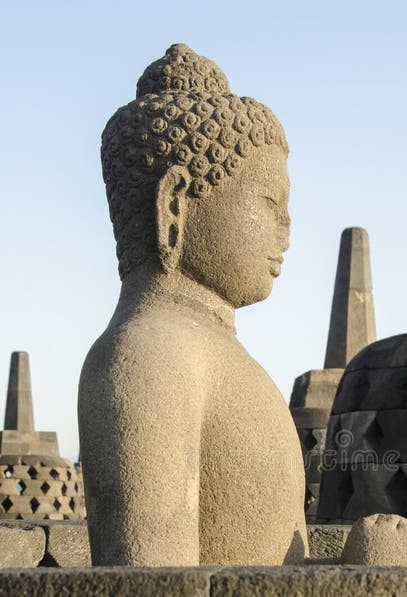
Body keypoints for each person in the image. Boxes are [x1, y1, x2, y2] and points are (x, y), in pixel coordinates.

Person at [79, 44, 307, 565]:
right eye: (270, 204)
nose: (287, 232)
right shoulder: (150, 360)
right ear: (175, 203)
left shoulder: (220, 359)